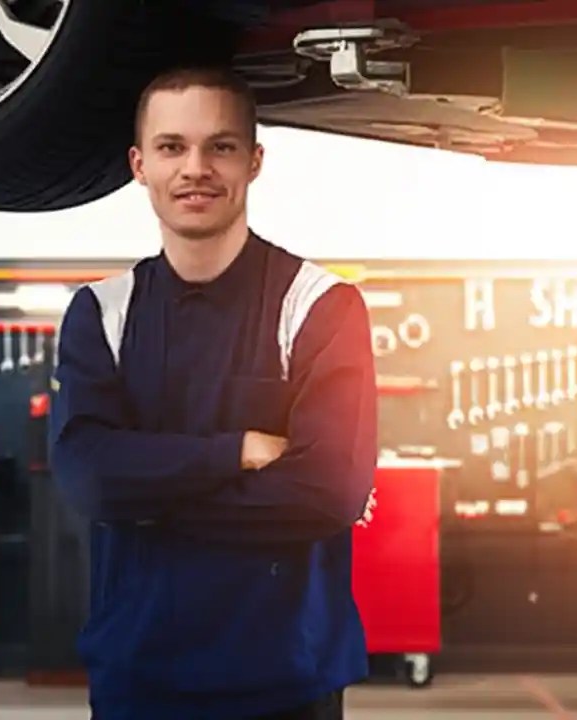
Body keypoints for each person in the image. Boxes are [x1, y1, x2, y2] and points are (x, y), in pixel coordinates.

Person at [49, 65, 378, 720]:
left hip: (287, 683)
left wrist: (147, 501)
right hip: (139, 680)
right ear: (139, 165)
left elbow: (330, 492)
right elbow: (89, 481)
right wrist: (236, 452)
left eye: (220, 146)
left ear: (254, 161)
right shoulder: (101, 314)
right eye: (172, 147)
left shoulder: (320, 307)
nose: (195, 168)